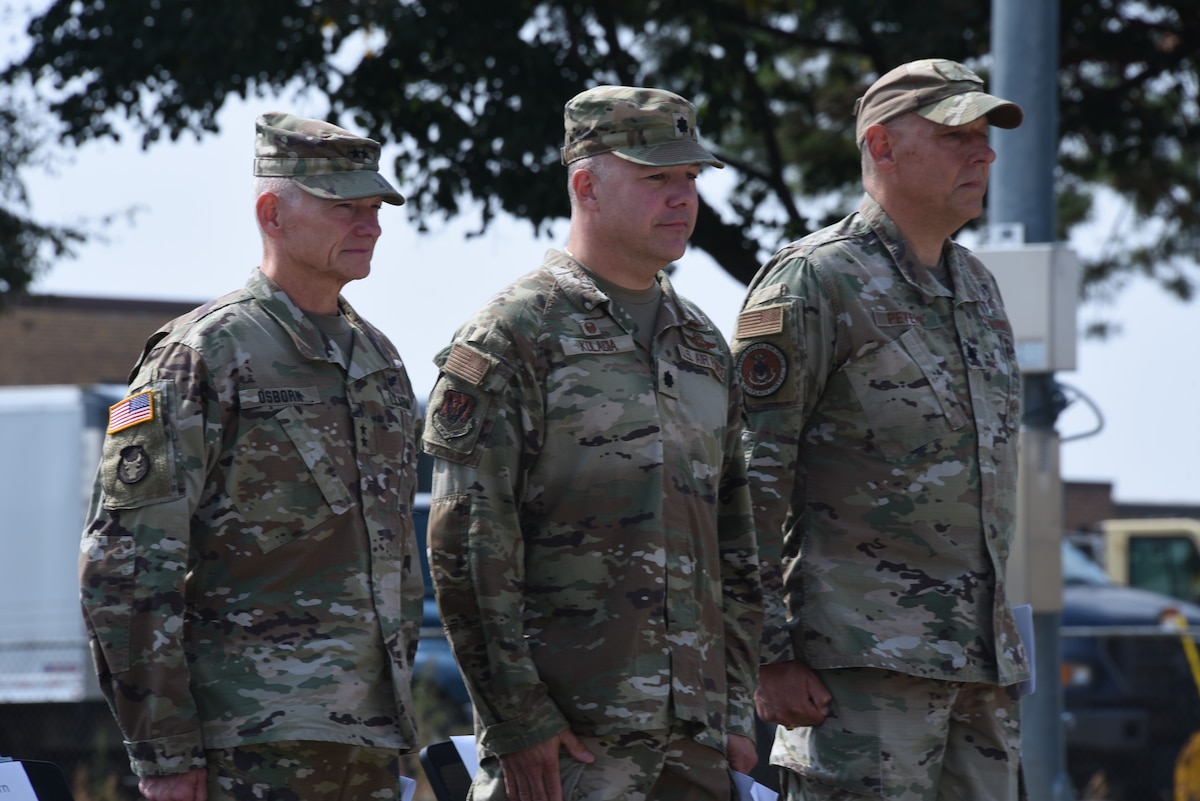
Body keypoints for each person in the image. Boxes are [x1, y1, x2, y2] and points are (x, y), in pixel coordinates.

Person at [422, 85, 763, 801]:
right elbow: (468, 545)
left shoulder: (703, 342)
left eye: (690, 179)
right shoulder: (513, 335)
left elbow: (735, 542)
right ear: (587, 185)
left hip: (695, 749)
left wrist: (734, 712)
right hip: (570, 746)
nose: (682, 198)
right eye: (656, 178)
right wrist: (516, 721)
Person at [79, 112, 424, 801]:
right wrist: (165, 750)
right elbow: (125, 563)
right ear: (273, 212)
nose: (371, 224)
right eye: (345, 207)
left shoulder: (381, 361)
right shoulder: (201, 354)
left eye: (375, 207)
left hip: (369, 743)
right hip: (243, 745)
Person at [731, 58, 1032, 800]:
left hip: (978, 676)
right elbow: (744, 483)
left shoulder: (979, 288)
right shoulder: (815, 281)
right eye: (957, 133)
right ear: (883, 145)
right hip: (857, 682)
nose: (984, 152)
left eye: (985, 136)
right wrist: (767, 656)